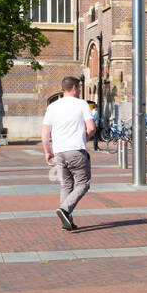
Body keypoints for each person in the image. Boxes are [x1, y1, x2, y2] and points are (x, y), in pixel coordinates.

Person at [42, 76, 96, 232]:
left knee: (66, 185)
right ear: (74, 88)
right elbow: (91, 127)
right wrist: (85, 137)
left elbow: (45, 132)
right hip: (76, 150)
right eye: (78, 88)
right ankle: (65, 209)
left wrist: (47, 151)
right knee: (83, 184)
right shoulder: (81, 104)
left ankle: (67, 220)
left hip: (59, 152)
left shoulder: (52, 106)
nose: (78, 91)